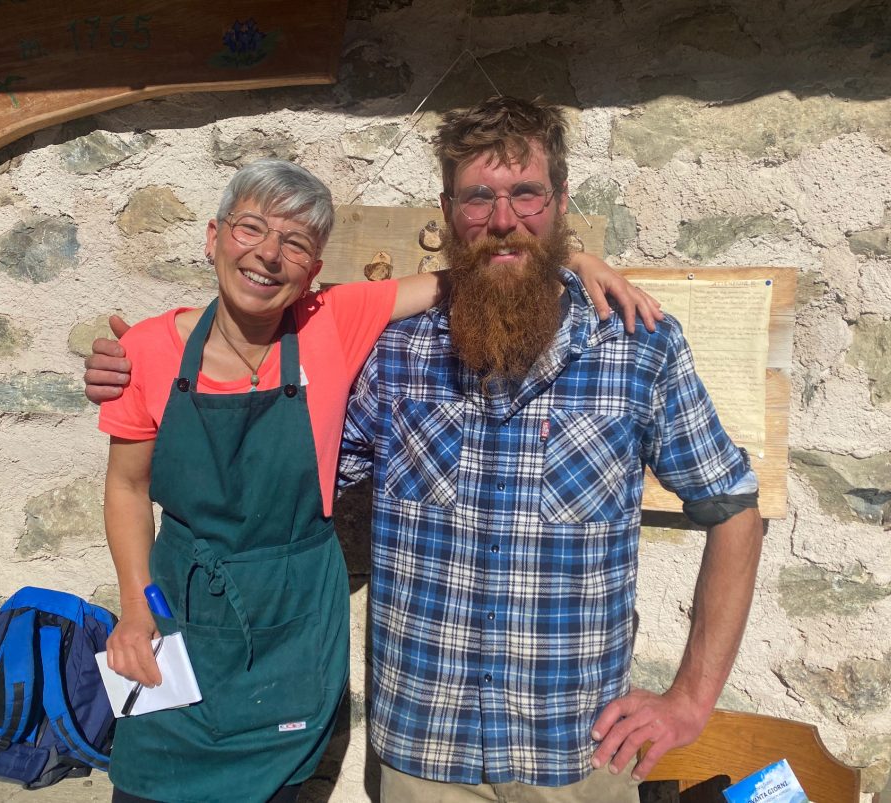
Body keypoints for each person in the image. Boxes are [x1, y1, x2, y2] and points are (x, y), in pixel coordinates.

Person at [91, 157, 661, 803]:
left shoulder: (333, 320)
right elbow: (127, 488)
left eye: (295, 242)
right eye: (250, 228)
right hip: (183, 606)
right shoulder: (144, 350)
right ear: (213, 236)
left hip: (294, 619)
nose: (268, 254)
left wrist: (573, 263)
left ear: (313, 269)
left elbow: (469, 274)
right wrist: (136, 609)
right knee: (148, 782)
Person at [336, 96, 765, 802]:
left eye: (526, 194)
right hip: (424, 752)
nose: (503, 219)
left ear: (560, 203)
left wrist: (691, 697)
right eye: (479, 197)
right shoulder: (396, 350)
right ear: (448, 211)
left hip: (578, 754)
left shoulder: (637, 347)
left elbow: (733, 508)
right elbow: (309, 478)